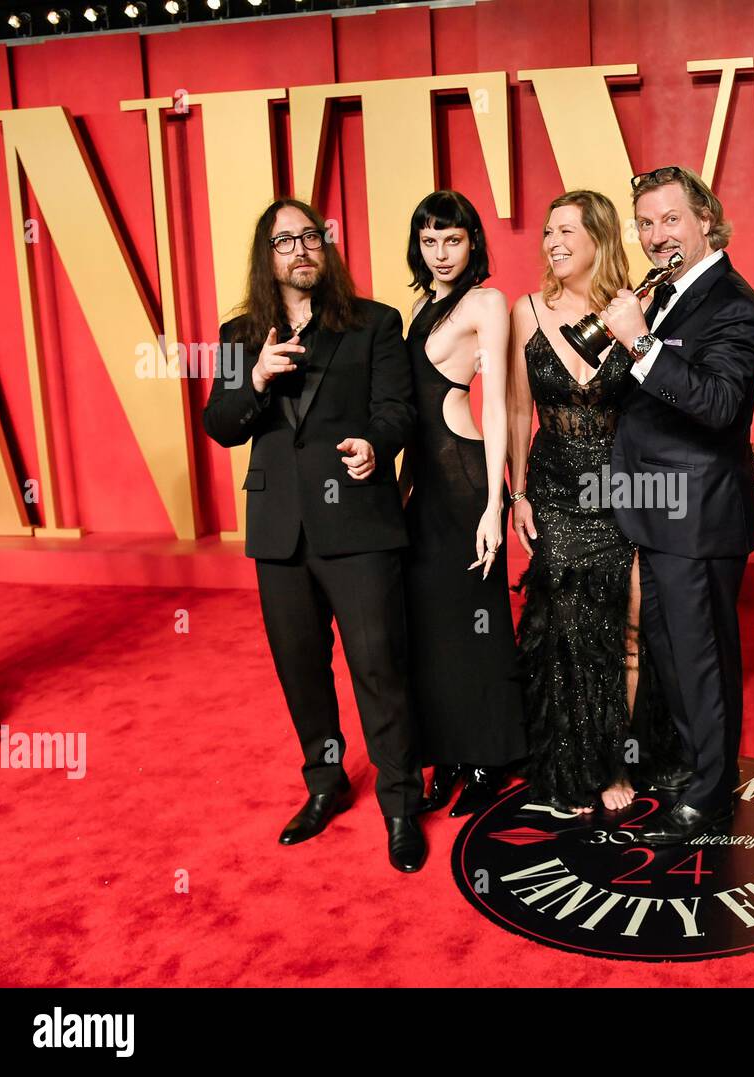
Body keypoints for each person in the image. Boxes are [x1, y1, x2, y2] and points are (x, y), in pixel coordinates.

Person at [202, 197, 426, 874]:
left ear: (324, 249)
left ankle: (399, 802)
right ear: (266, 260)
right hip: (279, 531)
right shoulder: (242, 334)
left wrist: (374, 444)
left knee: (378, 666)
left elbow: (399, 411)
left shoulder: (374, 324)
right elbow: (221, 423)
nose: (300, 249)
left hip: (357, 521)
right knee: (301, 671)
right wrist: (257, 381)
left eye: (310, 237)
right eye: (284, 241)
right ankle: (325, 784)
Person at [600, 166, 754, 845]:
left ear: (706, 220)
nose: (655, 234)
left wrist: (639, 342)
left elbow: (721, 405)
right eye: (645, 223)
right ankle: (695, 768)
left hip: (699, 516)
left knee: (702, 660)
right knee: (671, 653)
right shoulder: (669, 292)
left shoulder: (733, 302)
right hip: (657, 511)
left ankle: (711, 794)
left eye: (670, 219)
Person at [507, 190, 679, 814]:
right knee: (571, 635)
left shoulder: (635, 307)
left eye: (566, 231)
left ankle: (622, 759)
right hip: (553, 489)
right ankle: (578, 762)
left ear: (600, 240)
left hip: (622, 490)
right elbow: (517, 407)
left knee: (630, 629)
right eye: (548, 231)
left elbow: (661, 395)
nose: (552, 241)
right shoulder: (526, 311)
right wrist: (516, 492)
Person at [400, 190, 527, 819]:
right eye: (429, 240)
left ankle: (487, 757)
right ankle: (448, 753)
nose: (441, 252)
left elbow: (500, 402)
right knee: (431, 624)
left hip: (465, 481)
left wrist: (493, 505)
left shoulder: (486, 302)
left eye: (452, 239)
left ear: (473, 241)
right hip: (422, 485)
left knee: (476, 618)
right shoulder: (420, 304)